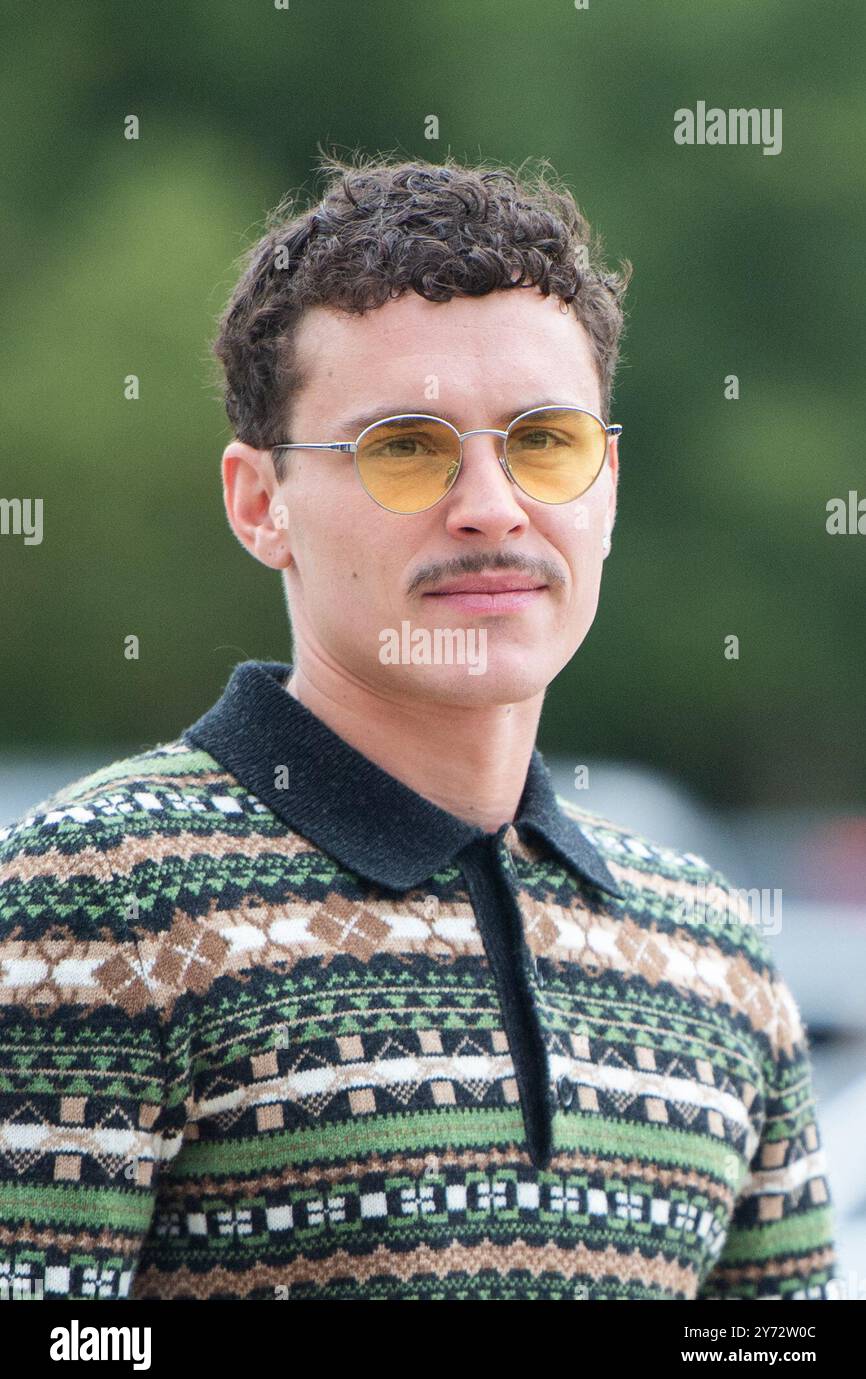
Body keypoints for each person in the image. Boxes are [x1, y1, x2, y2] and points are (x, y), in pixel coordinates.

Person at [0, 153, 839, 1301]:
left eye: (544, 442)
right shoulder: (97, 899)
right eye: (404, 447)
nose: (492, 506)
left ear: (605, 486)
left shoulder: (713, 950)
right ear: (260, 505)